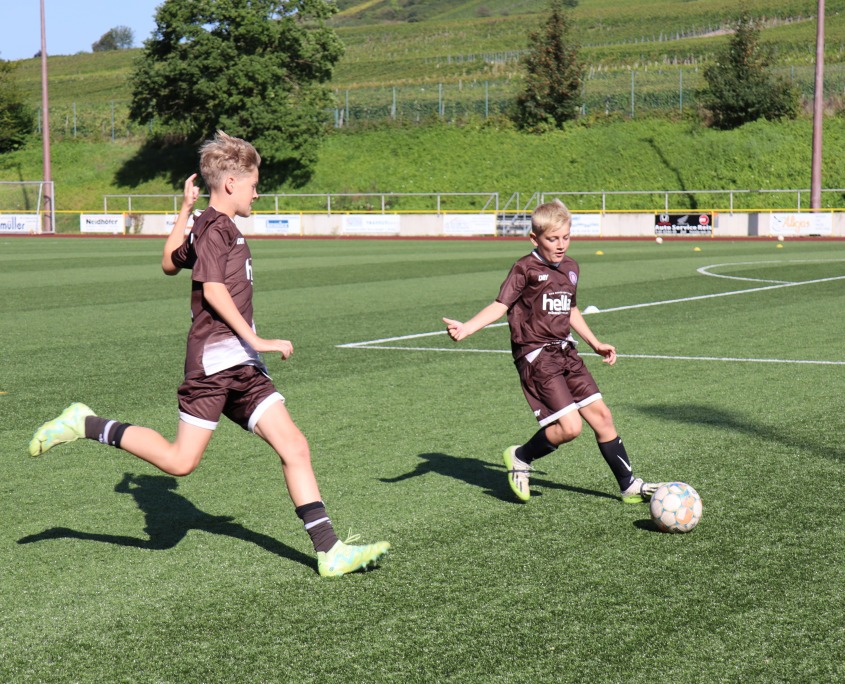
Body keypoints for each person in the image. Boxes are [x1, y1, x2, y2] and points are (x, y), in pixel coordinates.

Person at [29, 131, 389, 577]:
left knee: (295, 445)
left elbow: (167, 261)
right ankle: (85, 423)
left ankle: (329, 551)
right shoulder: (217, 228)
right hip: (215, 365)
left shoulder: (206, 224)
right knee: (181, 462)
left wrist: (184, 210)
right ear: (233, 183)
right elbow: (215, 290)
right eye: (255, 183)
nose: (258, 192)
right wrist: (258, 339)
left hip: (242, 366)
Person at [443, 199, 661, 504]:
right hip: (536, 356)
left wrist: (595, 343)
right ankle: (521, 457)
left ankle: (629, 485)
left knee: (602, 417)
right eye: (552, 239)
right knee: (570, 428)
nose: (561, 245)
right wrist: (467, 327)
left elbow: (570, 309)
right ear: (534, 238)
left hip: (566, 351)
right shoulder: (525, 268)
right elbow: (500, 305)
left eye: (566, 237)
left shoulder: (571, 267)